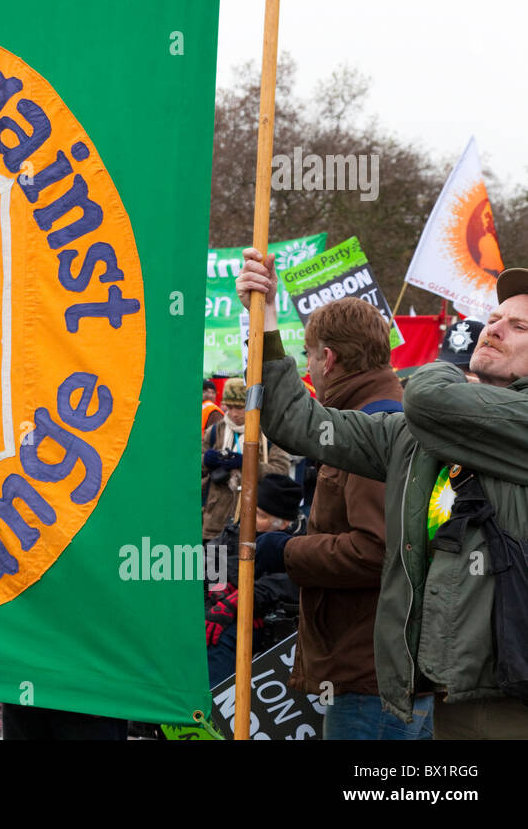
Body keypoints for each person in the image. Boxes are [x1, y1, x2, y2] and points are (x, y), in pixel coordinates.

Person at [238, 250, 528, 738]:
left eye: (518, 327)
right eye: (494, 317)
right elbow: (298, 423)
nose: (492, 328)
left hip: (514, 696)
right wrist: (264, 322)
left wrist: (436, 369)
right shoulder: (417, 434)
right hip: (450, 692)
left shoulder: (454, 401)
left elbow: (431, 394)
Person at [257, 297, 432, 739]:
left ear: (328, 358)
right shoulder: (389, 412)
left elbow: (380, 549)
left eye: (311, 355)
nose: (310, 367)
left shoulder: (375, 426)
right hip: (383, 663)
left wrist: (286, 551)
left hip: (371, 670)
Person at [204, 473, 302, 687]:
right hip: (224, 608)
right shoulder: (237, 531)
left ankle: (215, 708)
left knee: (220, 639)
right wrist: (220, 588)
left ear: (283, 523)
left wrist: (235, 599)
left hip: (264, 620)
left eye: (260, 515)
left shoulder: (297, 546)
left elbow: (281, 585)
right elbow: (210, 555)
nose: (250, 518)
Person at [201, 377, 290, 540]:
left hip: (253, 525)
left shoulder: (269, 434)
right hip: (214, 524)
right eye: (230, 406)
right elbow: (194, 468)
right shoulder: (215, 430)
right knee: (214, 565)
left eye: (240, 407)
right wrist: (207, 460)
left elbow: (281, 471)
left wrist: (247, 464)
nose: (234, 413)